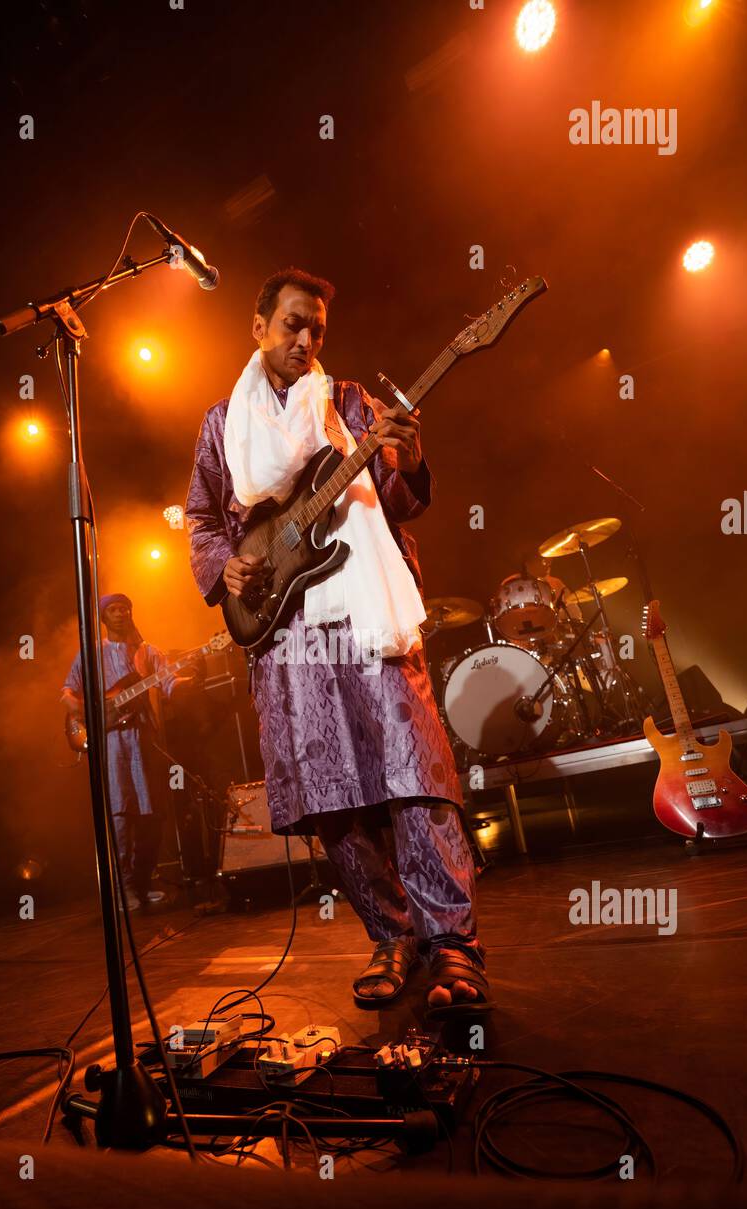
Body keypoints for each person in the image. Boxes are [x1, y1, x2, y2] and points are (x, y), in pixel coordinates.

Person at [185, 268, 491, 1020]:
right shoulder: (221, 424)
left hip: (367, 615)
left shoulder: (351, 403)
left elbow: (393, 502)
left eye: (316, 329)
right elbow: (200, 520)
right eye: (291, 323)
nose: (304, 339)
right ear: (257, 326)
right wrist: (224, 569)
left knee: (413, 776)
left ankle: (452, 944)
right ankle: (391, 936)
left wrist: (406, 461)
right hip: (284, 636)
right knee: (329, 802)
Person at [61, 593, 185, 912]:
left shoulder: (148, 652)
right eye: (113, 610)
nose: (120, 614)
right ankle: (122, 888)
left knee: (151, 815)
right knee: (118, 814)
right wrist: (93, 712)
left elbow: (170, 683)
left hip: (144, 739)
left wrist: (187, 677)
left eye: (125, 609)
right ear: (103, 617)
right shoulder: (91, 654)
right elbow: (67, 695)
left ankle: (142, 881)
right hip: (111, 741)